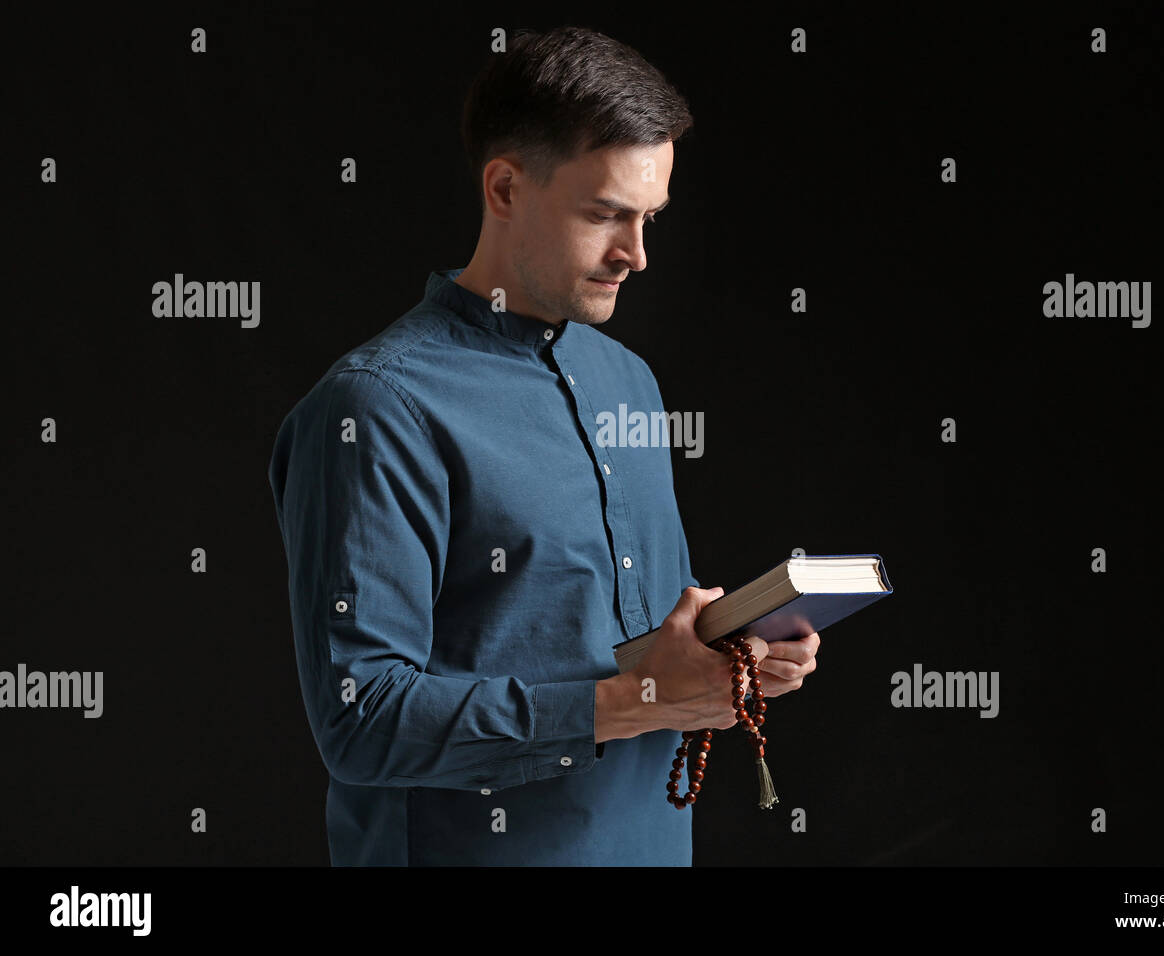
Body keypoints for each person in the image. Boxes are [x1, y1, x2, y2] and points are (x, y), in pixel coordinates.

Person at [267, 24, 819, 866]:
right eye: (606, 214)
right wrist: (637, 697)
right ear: (503, 189)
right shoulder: (376, 409)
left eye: (651, 218)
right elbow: (362, 719)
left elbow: (619, 646)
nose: (636, 254)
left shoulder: (630, 381)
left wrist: (723, 659)